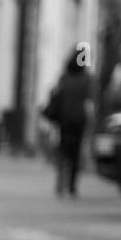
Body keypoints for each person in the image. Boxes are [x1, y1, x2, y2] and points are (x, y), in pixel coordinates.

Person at [42, 52, 94, 197]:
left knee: (63, 150)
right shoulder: (87, 79)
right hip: (79, 119)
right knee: (75, 152)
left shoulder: (64, 77)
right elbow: (89, 102)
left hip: (64, 118)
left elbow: (55, 94)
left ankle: (60, 183)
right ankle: (72, 186)